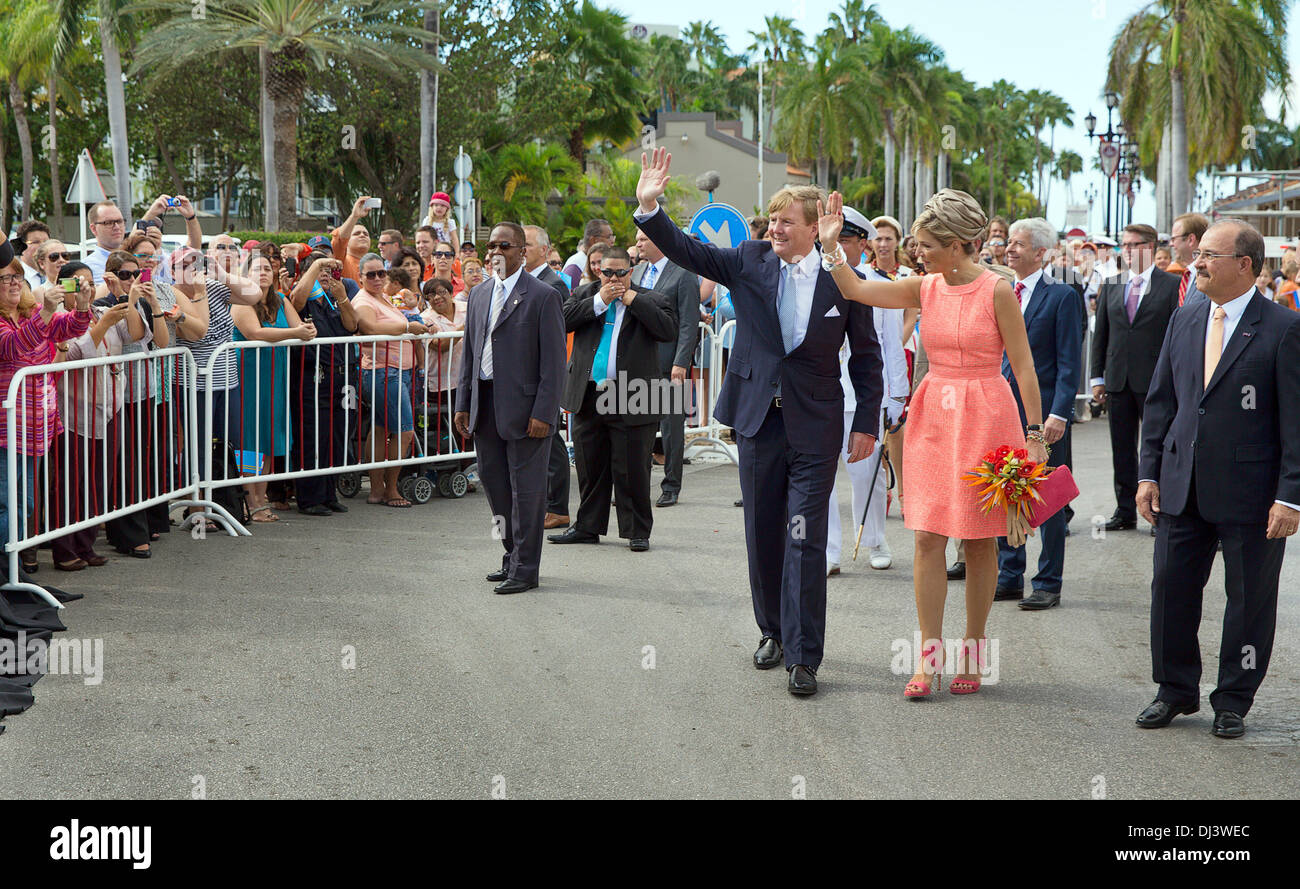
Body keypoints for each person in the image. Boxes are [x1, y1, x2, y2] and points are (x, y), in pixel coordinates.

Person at [635, 149, 883, 697]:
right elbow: (688, 249)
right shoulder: (747, 259)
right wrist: (650, 207)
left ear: (815, 227)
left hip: (815, 426)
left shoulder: (847, 280)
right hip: (756, 422)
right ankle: (771, 629)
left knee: (806, 539)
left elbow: (866, 358)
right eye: (771, 219)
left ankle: (804, 656)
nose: (774, 228)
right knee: (764, 534)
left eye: (785, 221)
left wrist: (867, 422)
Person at [818, 188, 1048, 699]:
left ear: (959, 243)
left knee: (978, 537)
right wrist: (832, 248)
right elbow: (855, 290)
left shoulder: (997, 292)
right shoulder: (923, 288)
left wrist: (1034, 437)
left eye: (926, 244)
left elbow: (1026, 367)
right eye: (916, 244)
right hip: (933, 413)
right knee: (925, 536)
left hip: (988, 415)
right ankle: (927, 659)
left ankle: (971, 646)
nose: (916, 253)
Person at [1135, 219, 1300, 739]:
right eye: (1197, 253)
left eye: (1208, 255)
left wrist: (1290, 497)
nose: (1196, 263)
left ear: (1244, 266)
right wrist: (1148, 474)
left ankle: (1233, 699)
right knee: (1170, 589)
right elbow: (1162, 401)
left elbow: (1296, 421)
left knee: (1248, 600)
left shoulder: (1282, 327)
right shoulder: (1184, 318)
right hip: (1181, 485)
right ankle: (1174, 690)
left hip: (1252, 495)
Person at [454, 223, 566, 595]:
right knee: (494, 484)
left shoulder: (542, 296)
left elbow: (553, 364)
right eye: (491, 246)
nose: (495, 252)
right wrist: (463, 402)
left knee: (528, 493)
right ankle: (511, 553)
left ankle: (526, 568)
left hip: (526, 411)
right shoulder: (480, 293)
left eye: (504, 245)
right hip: (484, 405)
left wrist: (544, 413)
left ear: (522, 251)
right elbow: (470, 354)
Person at [550, 246, 675, 551]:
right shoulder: (584, 294)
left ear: (630, 272)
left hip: (633, 394)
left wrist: (633, 301)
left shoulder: (652, 298)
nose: (614, 278)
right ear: (598, 271)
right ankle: (588, 526)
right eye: (608, 272)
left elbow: (667, 330)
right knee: (590, 465)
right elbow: (562, 321)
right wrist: (599, 301)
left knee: (632, 467)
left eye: (621, 272)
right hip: (589, 391)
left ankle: (637, 531)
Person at [994, 218, 1084, 610]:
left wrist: (1060, 413)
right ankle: (1009, 575)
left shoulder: (1061, 295)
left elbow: (1069, 362)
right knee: (1003, 488)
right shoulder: (998, 290)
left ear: (1041, 253)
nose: (1009, 248)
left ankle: (1048, 581)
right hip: (1001, 408)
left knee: (1048, 497)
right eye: (1009, 242)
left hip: (1044, 414)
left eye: (1019, 244)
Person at [826, 207, 907, 575]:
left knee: (868, 476)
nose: (837, 247)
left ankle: (874, 537)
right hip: (823, 395)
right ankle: (826, 549)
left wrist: (896, 397)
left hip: (863, 397)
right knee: (820, 479)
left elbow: (891, 345)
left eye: (845, 240)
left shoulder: (879, 286)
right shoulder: (816, 280)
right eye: (832, 239)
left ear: (864, 244)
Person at [0, 262, 92, 572]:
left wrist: (82, 307)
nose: (14, 283)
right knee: (8, 505)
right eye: (5, 278)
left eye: (17, 276)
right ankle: (6, 572)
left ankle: (11, 570)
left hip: (35, 425)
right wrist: (45, 313)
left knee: (23, 504)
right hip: (5, 428)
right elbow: (13, 348)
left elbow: (71, 329)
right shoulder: (14, 319)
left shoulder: (30, 311)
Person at [1090, 223, 1180, 533]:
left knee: (1155, 448)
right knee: (1121, 447)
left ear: (1151, 247)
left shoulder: (1171, 285)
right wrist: (1095, 378)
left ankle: (1158, 510)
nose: (1127, 250)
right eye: (1124, 245)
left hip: (1156, 381)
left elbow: (1177, 336)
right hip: (1118, 380)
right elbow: (1101, 335)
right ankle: (1125, 509)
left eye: (1134, 244)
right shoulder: (1112, 285)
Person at [232, 253, 315, 522]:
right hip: (250, 375)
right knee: (250, 438)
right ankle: (251, 501)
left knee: (269, 437)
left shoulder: (280, 300)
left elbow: (300, 327)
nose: (264, 273)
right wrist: (296, 334)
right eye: (258, 268)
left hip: (276, 374)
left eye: (268, 268)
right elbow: (255, 333)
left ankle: (262, 497)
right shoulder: (241, 301)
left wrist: (307, 330)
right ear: (247, 274)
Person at [287, 252, 358, 516]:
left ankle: (329, 493)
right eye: (320, 269)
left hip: (342, 376)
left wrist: (341, 296)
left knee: (336, 435)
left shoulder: (333, 299)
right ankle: (309, 497)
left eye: (329, 268)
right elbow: (296, 299)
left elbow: (352, 325)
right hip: (313, 376)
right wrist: (316, 265)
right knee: (312, 436)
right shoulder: (305, 298)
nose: (325, 274)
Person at [632, 228, 698, 508]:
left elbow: (689, 322)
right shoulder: (635, 273)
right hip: (637, 362)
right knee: (636, 429)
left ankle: (671, 485)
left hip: (668, 363)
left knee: (671, 429)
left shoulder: (683, 273)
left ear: (658, 241)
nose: (638, 244)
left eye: (643, 239)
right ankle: (633, 487)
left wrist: (681, 362)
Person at [352, 254, 424, 508]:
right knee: (404, 431)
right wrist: (408, 329)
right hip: (383, 371)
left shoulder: (382, 297)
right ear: (360, 277)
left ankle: (378, 489)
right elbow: (369, 329)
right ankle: (390, 489)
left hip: (397, 372)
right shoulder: (362, 301)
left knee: (382, 429)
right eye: (370, 274)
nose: (377, 278)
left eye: (381, 273)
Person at [522, 225, 573, 530]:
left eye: (525, 244)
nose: (520, 249)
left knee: (551, 440)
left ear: (544, 249)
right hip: (523, 374)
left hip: (544, 374)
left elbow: (555, 335)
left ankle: (559, 507)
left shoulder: (554, 284)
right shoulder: (517, 281)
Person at [420, 277, 466, 424]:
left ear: (451, 292)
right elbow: (442, 346)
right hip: (443, 384)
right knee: (452, 427)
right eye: (431, 295)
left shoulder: (468, 307)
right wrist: (467, 325)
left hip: (469, 379)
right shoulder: (425, 319)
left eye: (442, 292)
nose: (437, 297)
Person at [331, 196, 376, 283]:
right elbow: (339, 239)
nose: (362, 235)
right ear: (347, 241)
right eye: (357, 233)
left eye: (366, 234)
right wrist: (354, 216)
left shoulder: (376, 265)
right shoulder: (341, 261)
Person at [82, 201, 128, 283]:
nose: (117, 227)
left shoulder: (136, 257)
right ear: (94, 229)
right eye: (109, 223)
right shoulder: (89, 267)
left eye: (120, 221)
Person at [1169, 212, 1210, 305]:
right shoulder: (1187, 276)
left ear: (1191, 239)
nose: (1171, 244)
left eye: (1174, 239)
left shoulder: (1209, 275)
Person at [563, 218, 614, 292]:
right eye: (609, 237)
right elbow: (567, 299)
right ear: (594, 240)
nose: (612, 241)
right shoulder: (574, 266)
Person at [15, 221, 50, 288]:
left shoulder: (57, 274)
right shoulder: (14, 277)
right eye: (36, 242)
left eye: (46, 242)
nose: (43, 246)